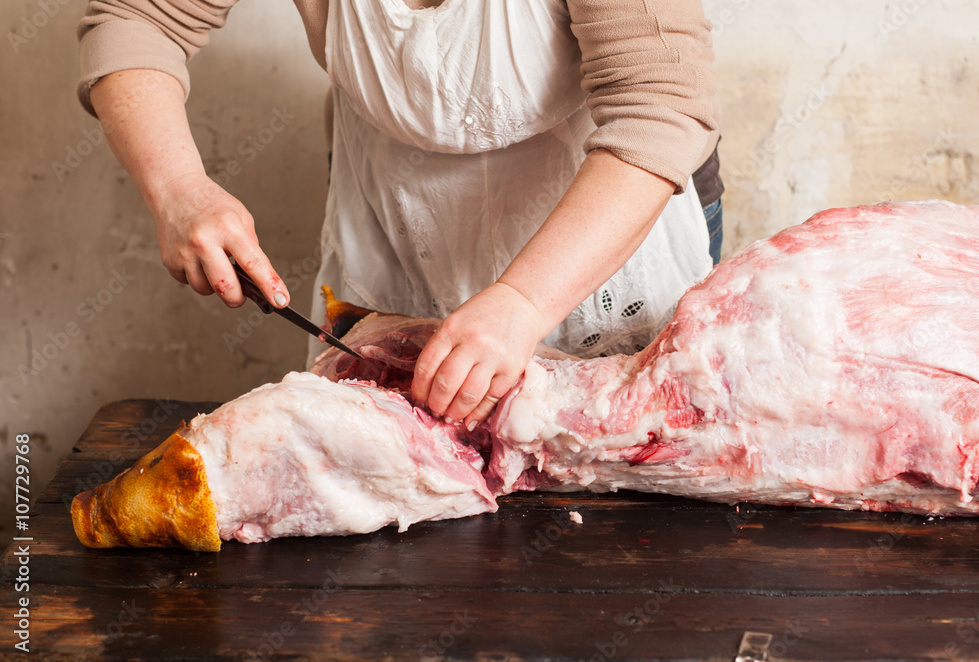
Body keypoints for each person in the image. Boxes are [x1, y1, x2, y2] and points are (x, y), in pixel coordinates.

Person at [77, 0, 722, 431]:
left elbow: (660, 105)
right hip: (392, 226)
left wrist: (524, 302)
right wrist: (178, 186)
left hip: (609, 230)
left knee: (610, 489)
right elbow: (139, 18)